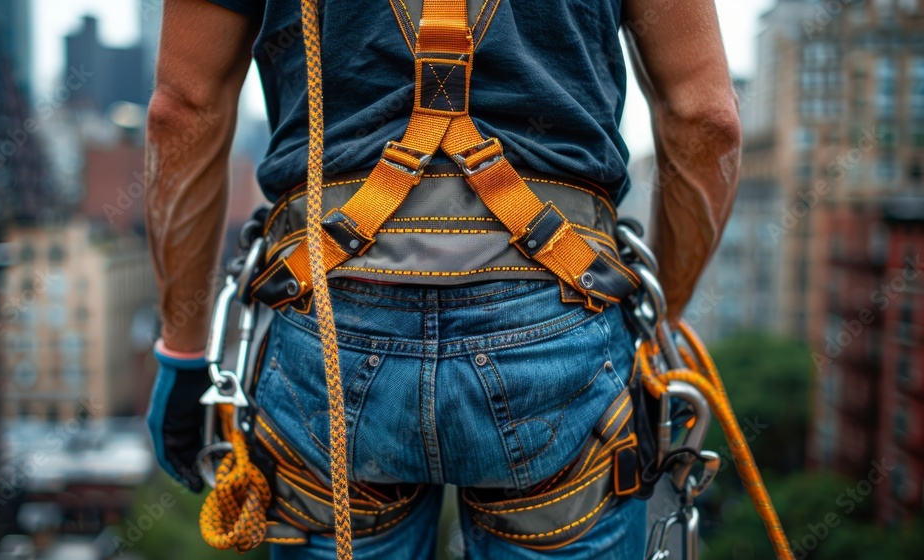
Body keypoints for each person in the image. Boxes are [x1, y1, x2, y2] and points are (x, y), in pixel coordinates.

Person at [145, 0, 741, 558]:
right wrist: (666, 315)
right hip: (560, 309)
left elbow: (184, 110)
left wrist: (184, 354)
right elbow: (705, 118)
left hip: (330, 316)